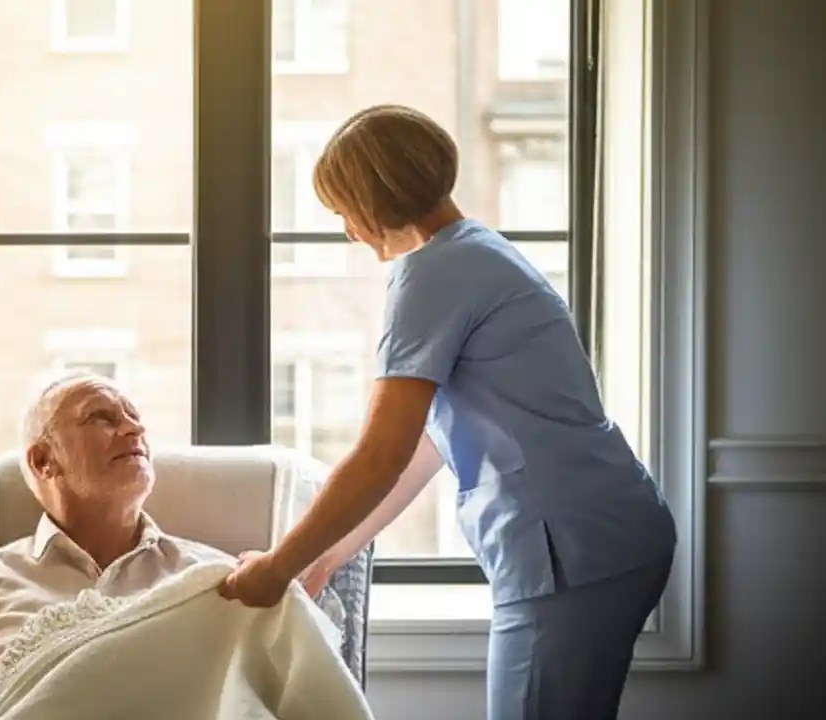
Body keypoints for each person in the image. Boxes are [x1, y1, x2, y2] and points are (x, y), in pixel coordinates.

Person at [218, 104, 678, 720]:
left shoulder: (430, 275)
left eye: (344, 211)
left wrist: (277, 567)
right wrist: (325, 556)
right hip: (612, 533)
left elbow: (382, 452)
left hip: (570, 554)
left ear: (374, 197)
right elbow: (423, 449)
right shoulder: (477, 250)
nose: (349, 232)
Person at [0, 373, 231, 719]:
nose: (134, 430)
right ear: (43, 461)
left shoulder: (213, 578)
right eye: (102, 418)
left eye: (135, 419)